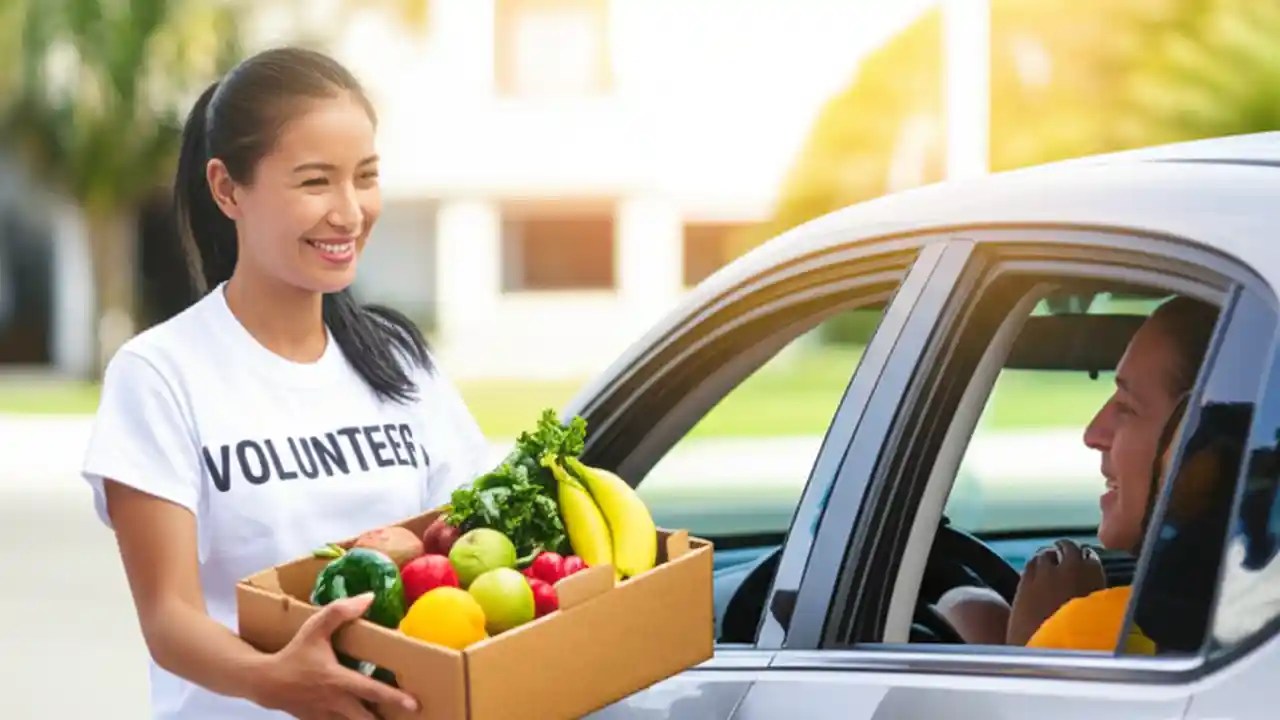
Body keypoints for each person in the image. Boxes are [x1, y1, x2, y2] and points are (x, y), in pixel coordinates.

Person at [80, 47, 491, 719]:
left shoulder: (400, 360)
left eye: (365, 177)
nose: (350, 212)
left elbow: (465, 549)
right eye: (315, 182)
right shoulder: (161, 374)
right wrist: (277, 681)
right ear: (227, 189)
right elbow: (169, 618)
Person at [937, 295, 1219, 648]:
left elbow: (1025, 704)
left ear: (1202, 444)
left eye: (1127, 408)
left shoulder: (1090, 631)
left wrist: (1042, 631)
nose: (1093, 433)